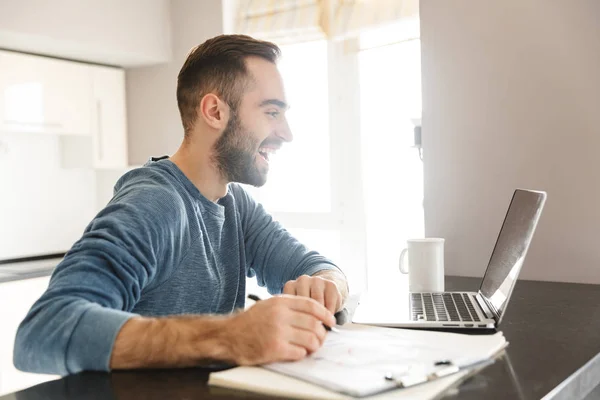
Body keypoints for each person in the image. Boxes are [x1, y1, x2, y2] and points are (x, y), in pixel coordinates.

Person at [13, 34, 348, 375]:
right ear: (215, 112)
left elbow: (314, 265)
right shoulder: (155, 203)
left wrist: (327, 284)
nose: (286, 133)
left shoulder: (236, 204)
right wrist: (230, 336)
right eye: (271, 112)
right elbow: (44, 331)